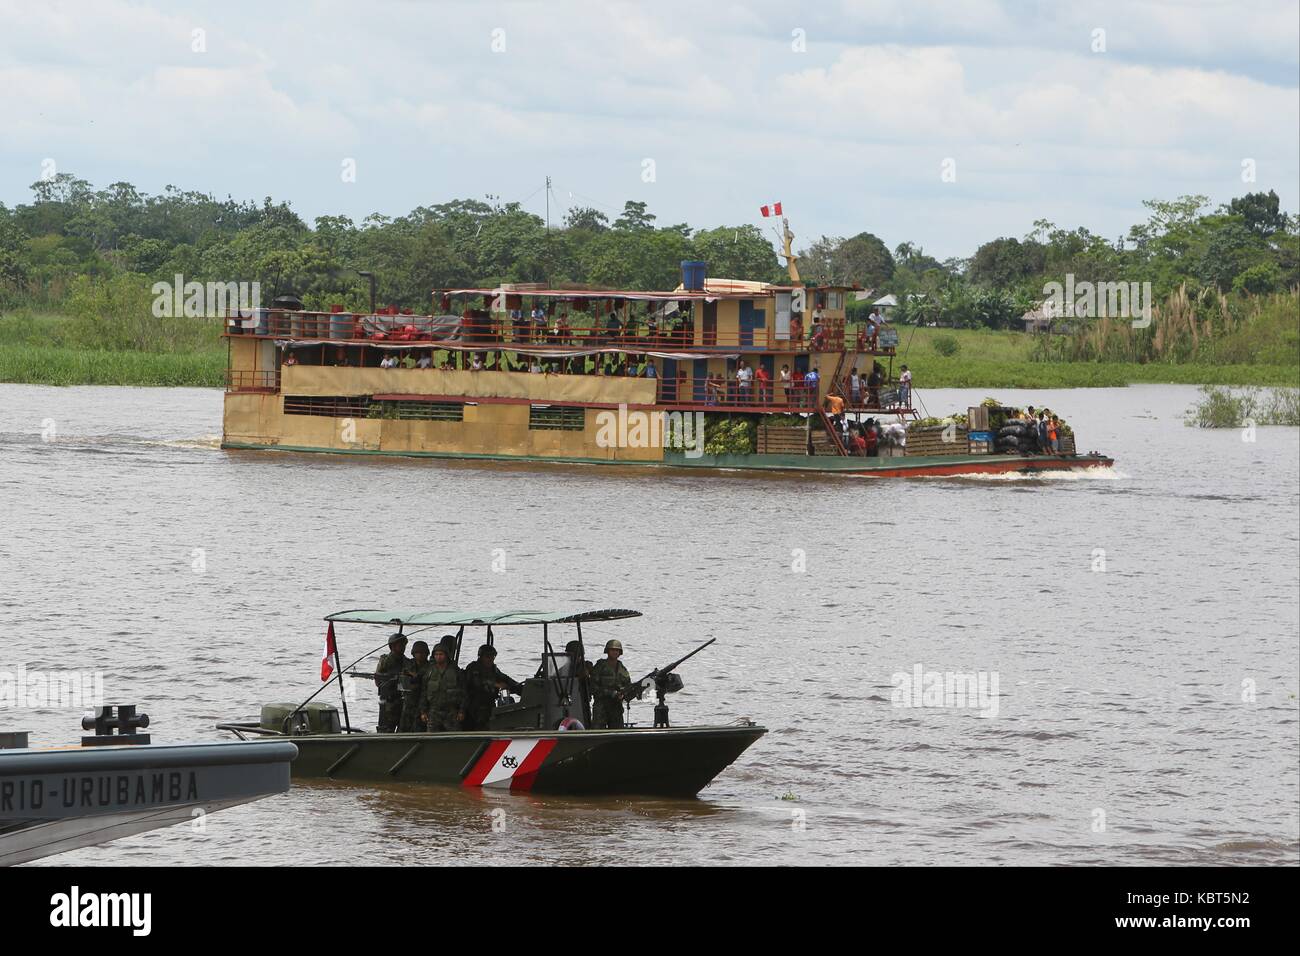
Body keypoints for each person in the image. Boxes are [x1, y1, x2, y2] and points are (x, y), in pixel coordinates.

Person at [462, 644, 523, 731]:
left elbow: (505, 679)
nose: (491, 659)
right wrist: (495, 684)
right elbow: (477, 682)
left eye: (493, 656)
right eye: (487, 656)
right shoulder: (473, 667)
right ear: (481, 657)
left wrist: (519, 687)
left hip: (489, 703)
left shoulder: (493, 669)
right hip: (474, 704)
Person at [589, 639, 632, 729]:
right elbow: (593, 687)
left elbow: (628, 685)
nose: (615, 652)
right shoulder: (600, 666)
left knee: (618, 731)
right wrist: (610, 693)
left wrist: (623, 694)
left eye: (617, 650)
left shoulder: (622, 668)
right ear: (607, 651)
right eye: (612, 650)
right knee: (598, 731)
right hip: (601, 706)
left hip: (616, 706)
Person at [421, 643, 464, 731]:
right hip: (434, 711)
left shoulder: (455, 671)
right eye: (436, 654)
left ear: (446, 655)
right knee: (431, 738)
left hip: (451, 711)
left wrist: (462, 711)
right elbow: (424, 692)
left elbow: (463, 692)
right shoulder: (430, 671)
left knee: (454, 738)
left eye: (441, 654)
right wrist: (423, 711)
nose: (438, 657)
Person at [373, 633, 408, 733]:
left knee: (403, 730)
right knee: (385, 730)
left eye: (403, 645)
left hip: (402, 701)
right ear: (392, 646)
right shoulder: (385, 660)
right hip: (389, 702)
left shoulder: (406, 661)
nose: (402, 647)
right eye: (399, 645)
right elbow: (378, 680)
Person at [398, 640, 431, 732]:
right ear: (413, 653)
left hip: (423, 702)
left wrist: (416, 677)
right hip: (409, 701)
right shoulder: (408, 665)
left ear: (427, 654)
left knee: (420, 727)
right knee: (404, 727)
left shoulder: (430, 667)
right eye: (417, 652)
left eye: (422, 653)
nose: (420, 655)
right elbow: (403, 683)